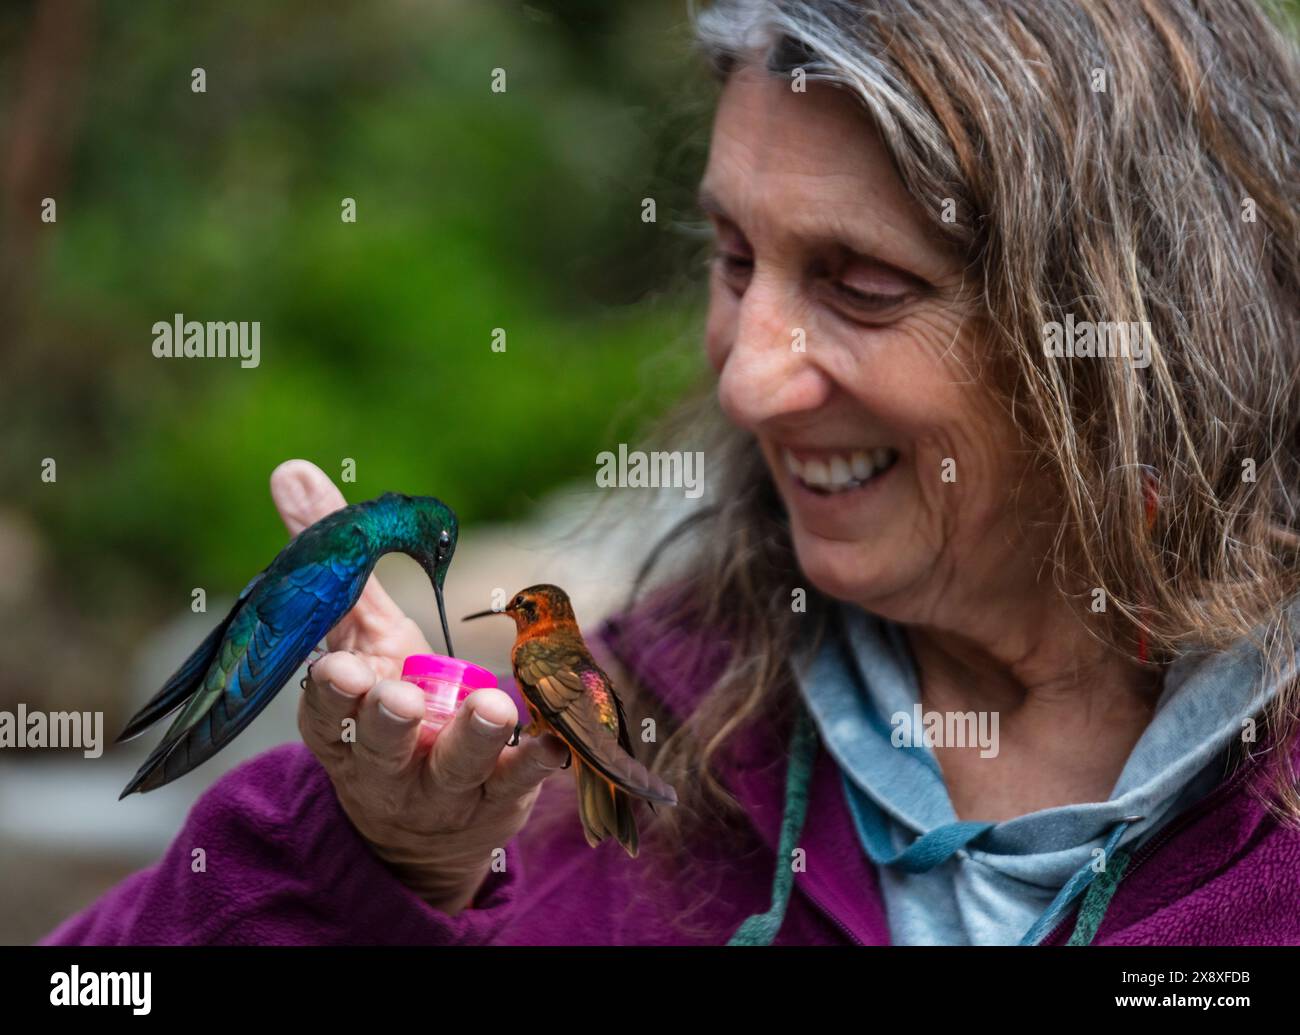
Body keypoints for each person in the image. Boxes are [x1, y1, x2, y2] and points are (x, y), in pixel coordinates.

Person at [46, 0, 1300, 945]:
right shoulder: (637, 743)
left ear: (1137, 335)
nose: (748, 378)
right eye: (736, 259)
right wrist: (372, 864)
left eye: (864, 286)